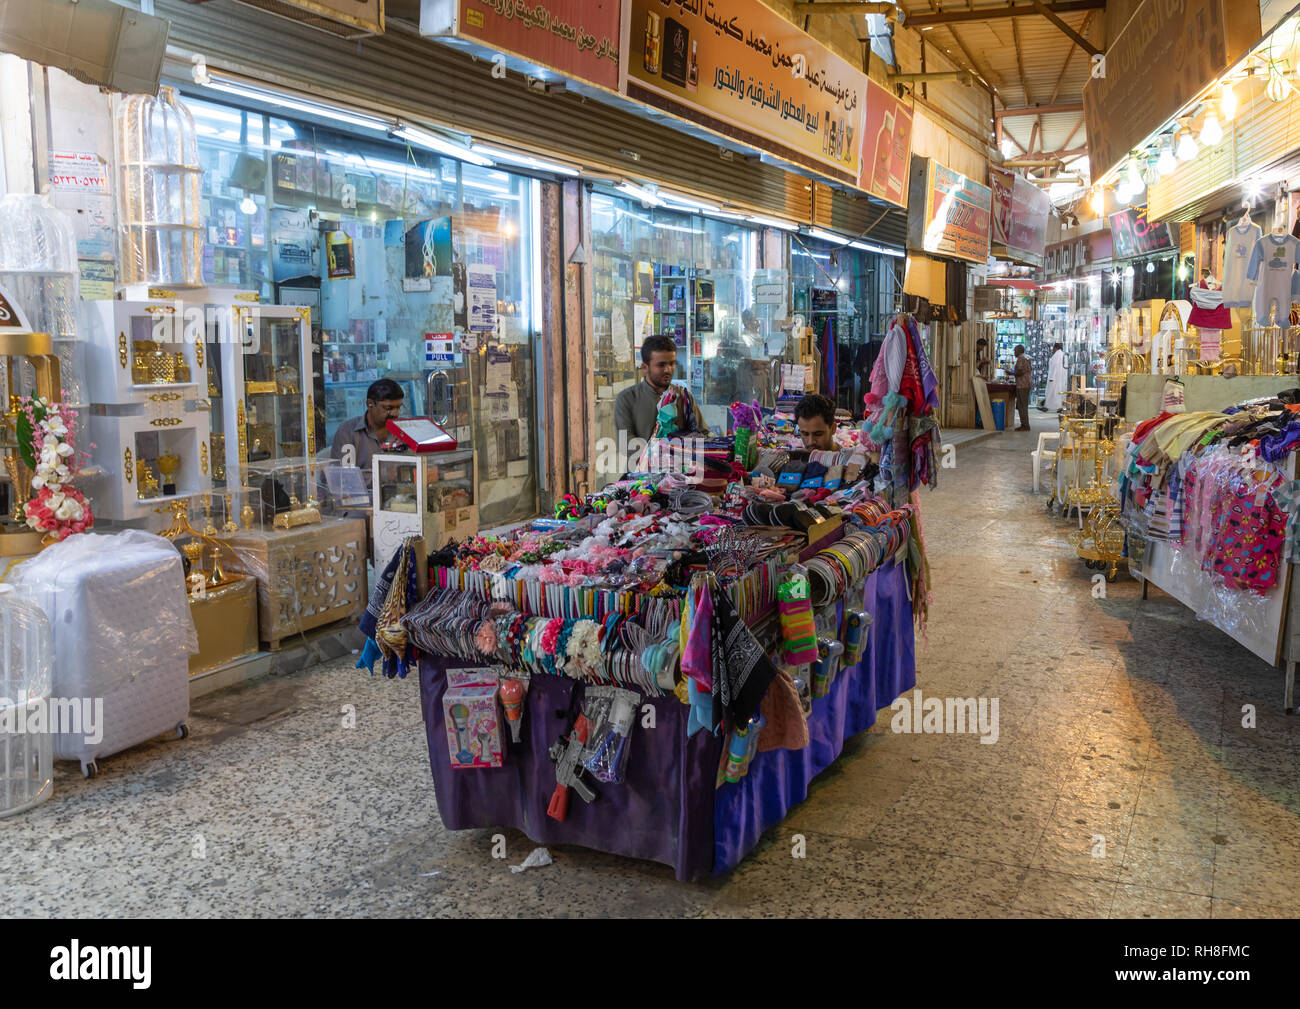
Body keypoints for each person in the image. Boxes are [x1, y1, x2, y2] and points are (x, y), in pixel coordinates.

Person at [331, 377, 404, 488]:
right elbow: (342, 478)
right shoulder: (348, 432)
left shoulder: (403, 432)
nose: (395, 413)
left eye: (398, 407)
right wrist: (384, 476)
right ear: (370, 404)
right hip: (359, 501)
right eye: (388, 408)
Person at [615, 333, 682, 443]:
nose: (668, 370)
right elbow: (625, 444)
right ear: (645, 367)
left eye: (671, 363)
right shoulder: (626, 398)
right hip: (642, 459)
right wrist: (662, 455)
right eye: (661, 365)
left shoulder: (683, 397)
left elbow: (701, 433)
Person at [1012, 344, 1032, 431]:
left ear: (1019, 351)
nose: (1014, 352)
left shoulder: (1021, 358)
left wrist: (1012, 373)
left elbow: (1020, 371)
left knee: (1022, 406)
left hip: (1022, 384)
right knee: (1023, 405)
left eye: (1015, 351)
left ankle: (1025, 425)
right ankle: (1024, 424)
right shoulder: (1027, 357)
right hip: (1027, 384)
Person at [1045, 342, 1066, 412]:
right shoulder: (1062, 354)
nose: (1052, 350)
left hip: (1054, 377)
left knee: (1051, 392)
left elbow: (1054, 366)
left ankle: (1047, 406)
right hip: (1059, 377)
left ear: (1055, 348)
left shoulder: (1057, 355)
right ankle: (1058, 407)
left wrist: (1052, 377)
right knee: (1056, 393)